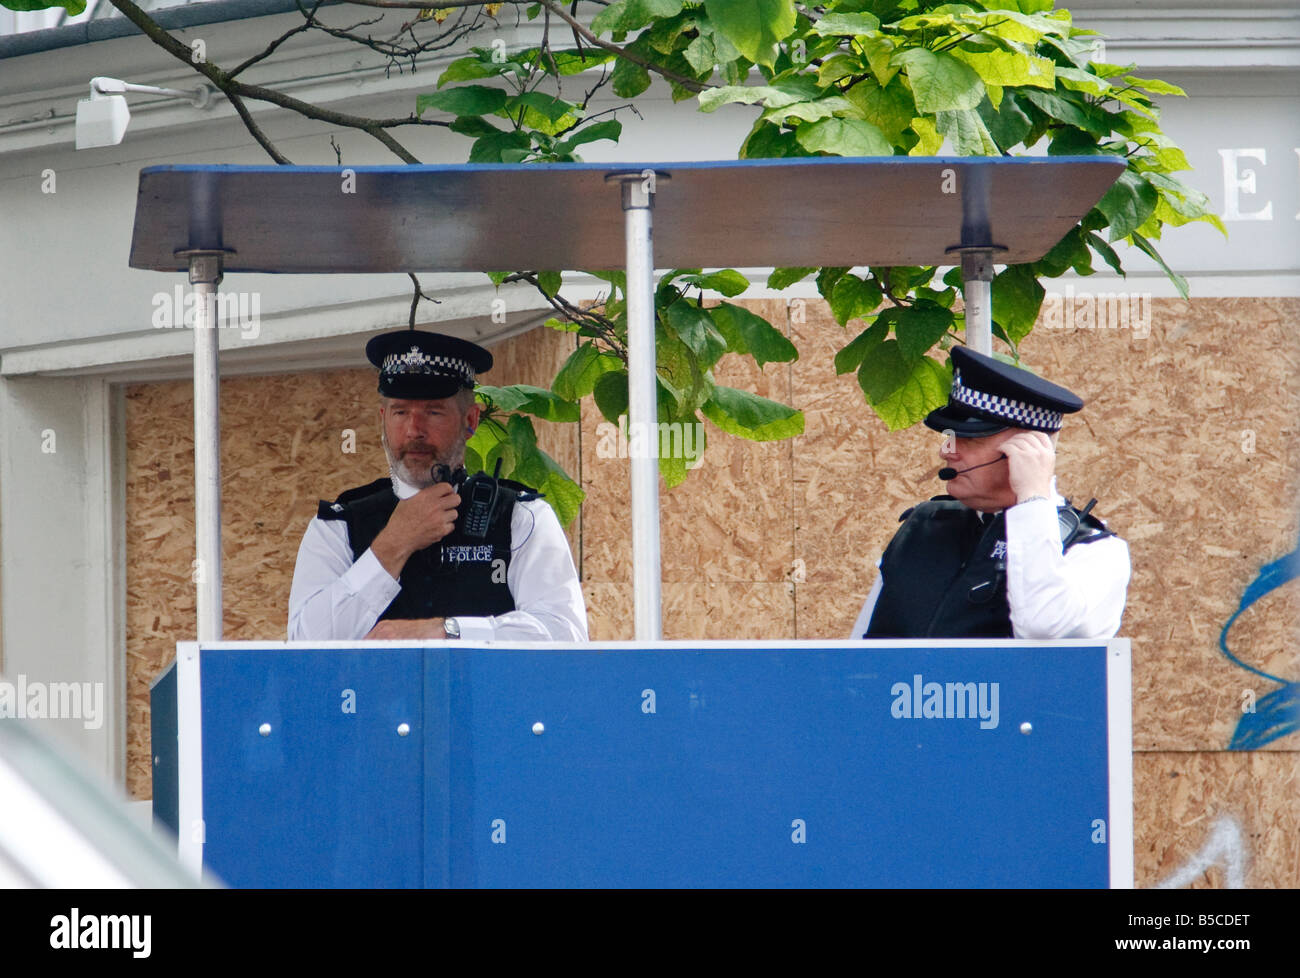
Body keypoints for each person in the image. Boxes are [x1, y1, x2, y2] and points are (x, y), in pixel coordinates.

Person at [288, 329, 588, 643]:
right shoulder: (339, 526)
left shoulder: (519, 517)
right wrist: (393, 544)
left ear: (470, 421)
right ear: (383, 419)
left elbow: (565, 636)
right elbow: (304, 645)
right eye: (400, 412)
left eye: (433, 412)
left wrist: (446, 632)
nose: (414, 430)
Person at [851, 345, 1129, 640]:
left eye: (968, 438)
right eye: (949, 436)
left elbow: (1043, 627)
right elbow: (861, 650)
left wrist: (1034, 498)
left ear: (1026, 450)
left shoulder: (1094, 550)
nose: (946, 451)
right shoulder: (922, 527)